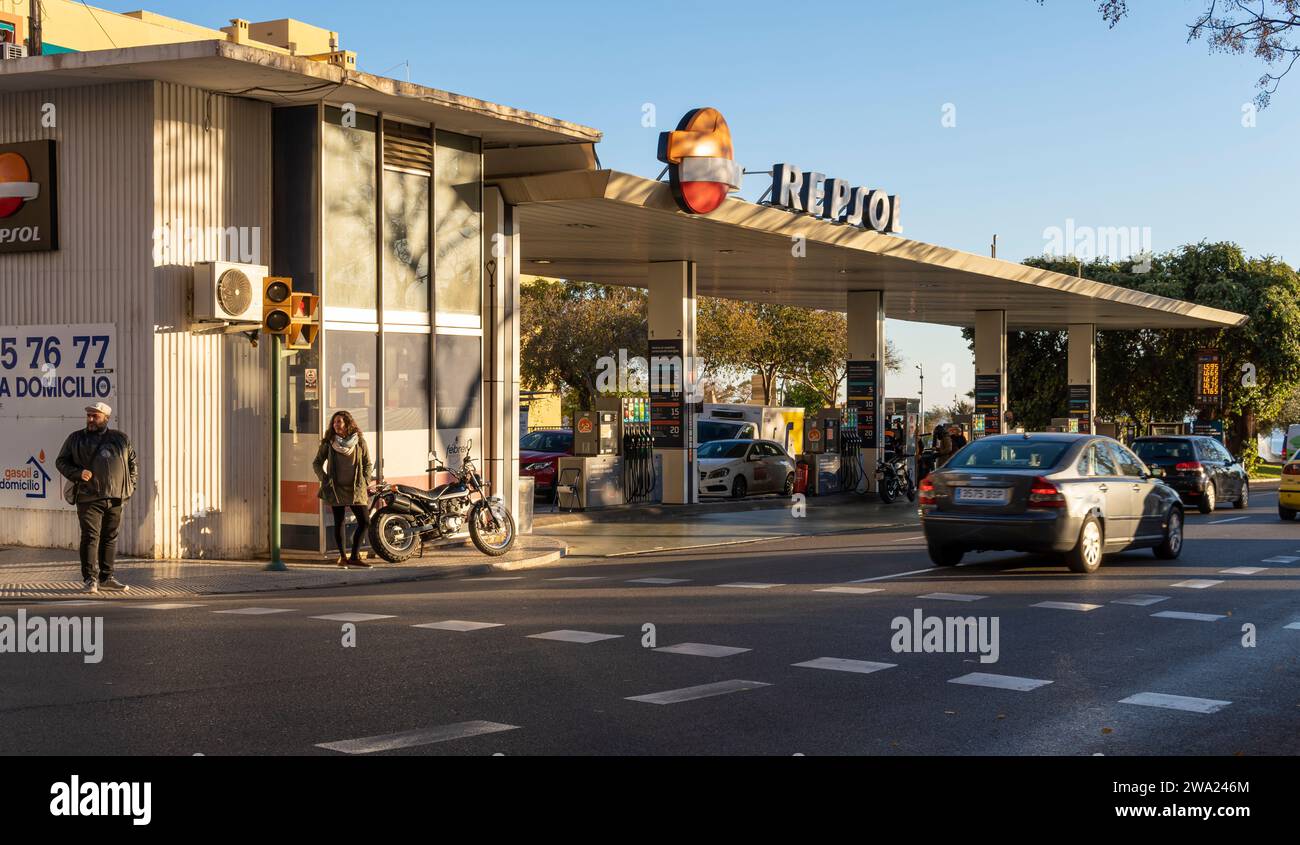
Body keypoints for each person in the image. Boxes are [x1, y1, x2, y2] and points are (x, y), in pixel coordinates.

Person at [55, 402, 138, 593]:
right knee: (91, 537)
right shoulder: (75, 439)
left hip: (116, 498)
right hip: (88, 497)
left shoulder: (121, 439)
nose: (90, 419)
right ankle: (89, 580)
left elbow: (133, 462)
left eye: (95, 416)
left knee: (110, 537)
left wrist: (129, 487)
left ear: (106, 418)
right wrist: (77, 473)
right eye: (89, 416)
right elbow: (61, 461)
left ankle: (106, 578)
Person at [313, 411, 373, 568]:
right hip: (336, 489)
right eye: (334, 422)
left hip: (356, 489)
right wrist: (324, 478)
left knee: (365, 521)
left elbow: (367, 463)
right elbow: (317, 463)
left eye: (339, 421)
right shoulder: (329, 443)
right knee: (339, 522)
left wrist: (365, 480)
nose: (335, 425)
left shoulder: (359, 441)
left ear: (347, 423)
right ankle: (342, 558)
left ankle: (354, 556)